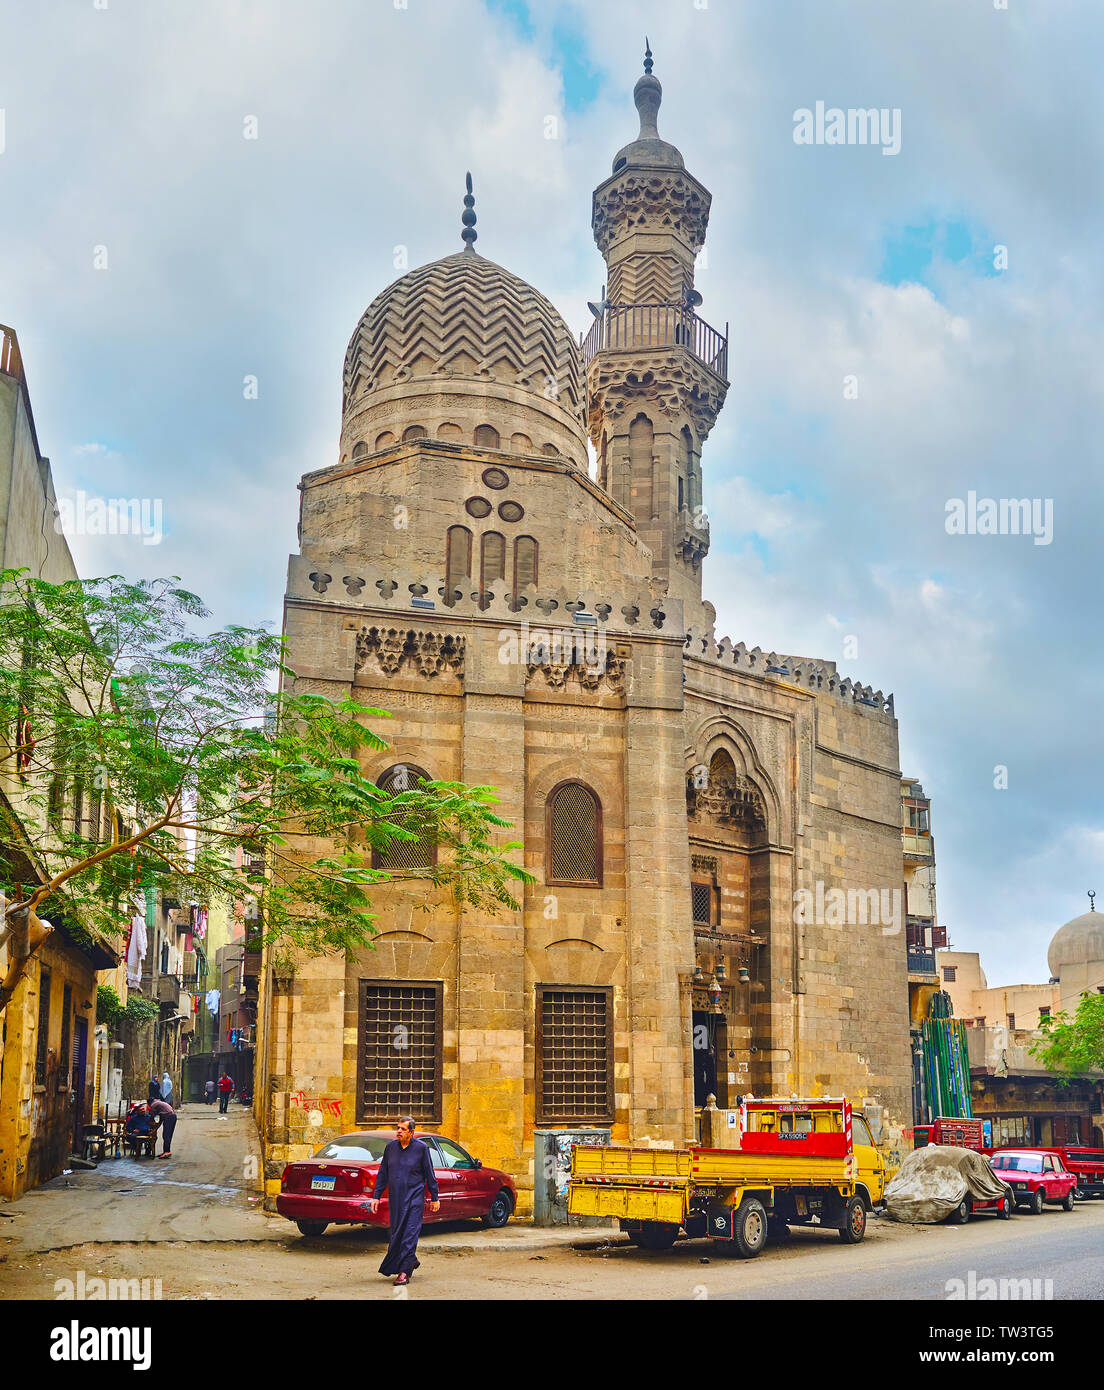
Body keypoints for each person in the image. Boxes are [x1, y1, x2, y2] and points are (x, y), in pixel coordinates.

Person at [367, 1117, 440, 1286]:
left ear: (412, 1132)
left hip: (415, 1199)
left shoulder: (421, 1149)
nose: (399, 1131)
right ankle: (411, 1260)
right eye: (398, 1128)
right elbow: (383, 1174)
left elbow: (430, 1174)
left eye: (403, 1129)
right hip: (396, 1199)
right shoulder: (390, 1148)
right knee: (397, 1233)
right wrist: (376, 1196)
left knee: (410, 1233)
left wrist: (435, 1198)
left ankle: (404, 1272)